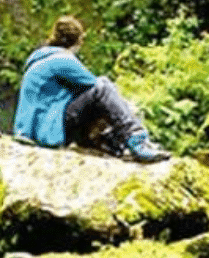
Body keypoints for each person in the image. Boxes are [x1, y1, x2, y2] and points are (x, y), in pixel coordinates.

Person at [13, 15, 170, 163]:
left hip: (35, 128)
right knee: (104, 86)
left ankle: (112, 144)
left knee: (103, 99)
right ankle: (137, 141)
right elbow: (95, 87)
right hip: (48, 129)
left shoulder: (40, 59)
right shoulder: (61, 59)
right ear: (78, 42)